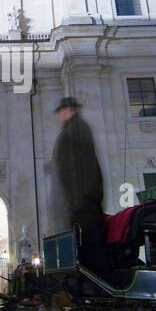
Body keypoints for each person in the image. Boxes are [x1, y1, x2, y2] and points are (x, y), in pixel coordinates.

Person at [50, 96, 107, 274]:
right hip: (80, 201)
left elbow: (80, 167)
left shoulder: (76, 128)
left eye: (61, 111)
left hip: (82, 202)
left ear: (70, 110)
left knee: (89, 246)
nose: (59, 115)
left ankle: (95, 283)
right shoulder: (73, 129)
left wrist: (77, 201)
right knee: (84, 245)